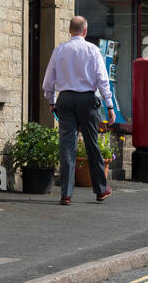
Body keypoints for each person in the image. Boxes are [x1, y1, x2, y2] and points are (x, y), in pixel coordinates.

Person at [42, 15, 114, 205]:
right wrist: (110, 106)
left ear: (69, 30)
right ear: (85, 31)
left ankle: (66, 194)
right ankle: (101, 189)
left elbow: (49, 80)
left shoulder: (60, 50)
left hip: (65, 99)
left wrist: (51, 101)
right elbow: (102, 80)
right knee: (92, 144)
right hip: (87, 99)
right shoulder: (93, 50)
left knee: (67, 146)